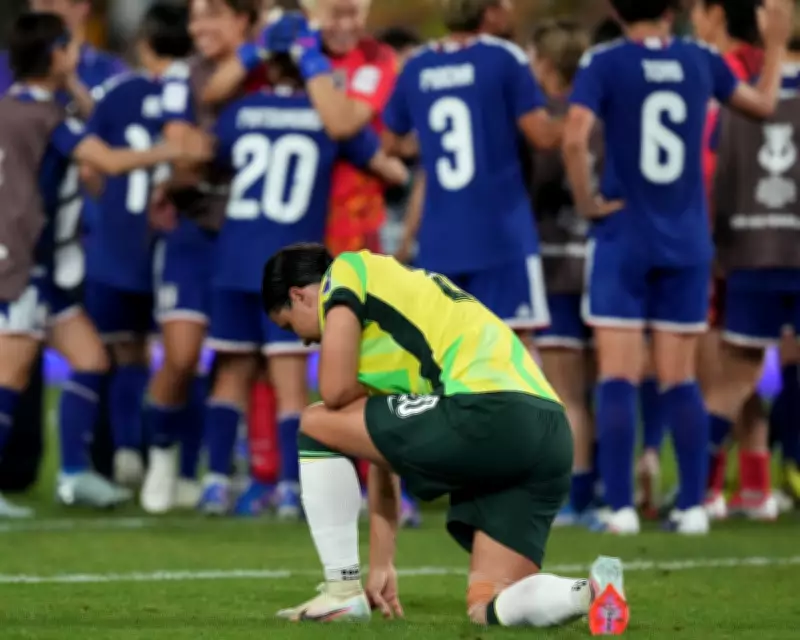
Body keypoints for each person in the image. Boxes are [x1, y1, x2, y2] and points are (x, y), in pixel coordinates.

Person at [260, 244, 628, 634]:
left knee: (315, 420)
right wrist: (382, 562)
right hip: (547, 431)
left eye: (290, 326)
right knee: (489, 601)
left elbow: (332, 393)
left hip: (486, 408)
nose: (303, 343)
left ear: (300, 295)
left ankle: (339, 590)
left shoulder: (346, 271)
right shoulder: (390, 323)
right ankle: (590, 592)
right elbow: (382, 454)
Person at [563, 0, 792, 535]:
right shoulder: (700, 59)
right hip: (686, 241)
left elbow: (574, 137)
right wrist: (776, 43)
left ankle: (619, 508)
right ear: (673, 9)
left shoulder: (604, 61)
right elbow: (761, 104)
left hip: (623, 238)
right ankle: (691, 507)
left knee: (617, 375)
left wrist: (589, 201)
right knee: (679, 377)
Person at [203, 14, 408, 522]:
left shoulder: (242, 109)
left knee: (231, 375)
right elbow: (388, 166)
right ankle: (295, 489)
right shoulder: (324, 116)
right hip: (289, 263)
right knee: (290, 381)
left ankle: (216, 484)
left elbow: (211, 137)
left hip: (231, 256)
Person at [0, 12, 203, 514]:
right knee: (12, 374)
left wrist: (68, 81)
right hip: (23, 265)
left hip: (46, 267)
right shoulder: (45, 116)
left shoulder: (23, 106)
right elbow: (107, 162)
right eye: (68, 49)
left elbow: (87, 123)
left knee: (91, 359)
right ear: (54, 55)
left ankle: (74, 474)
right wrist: (171, 150)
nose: (77, 55)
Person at [139, 0, 262, 515]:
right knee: (182, 356)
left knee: (239, 357)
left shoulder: (267, 72)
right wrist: (233, 145)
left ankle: (213, 471)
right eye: (193, 18)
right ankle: (160, 460)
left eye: (210, 15)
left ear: (243, 20)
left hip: (246, 229)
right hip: (193, 230)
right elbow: (183, 150)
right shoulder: (181, 76)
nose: (198, 27)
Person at [382, 0, 560, 346]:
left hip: (439, 240)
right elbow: (541, 136)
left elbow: (390, 142)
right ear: (487, 10)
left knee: (449, 358)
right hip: (501, 236)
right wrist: (579, 117)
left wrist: (431, 144)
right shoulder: (504, 57)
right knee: (513, 352)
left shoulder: (417, 65)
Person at [81, 3, 193, 490]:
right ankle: (183, 465)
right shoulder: (196, 95)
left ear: (145, 45)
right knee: (180, 353)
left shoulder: (116, 92)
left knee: (123, 350)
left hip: (118, 243)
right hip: (178, 243)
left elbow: (90, 169)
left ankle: (127, 449)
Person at [707, 30, 800, 521]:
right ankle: (771, 484)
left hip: (750, 250)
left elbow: (716, 174)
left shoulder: (735, 92)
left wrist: (720, 246)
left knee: (733, 378)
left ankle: (700, 492)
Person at [691, 0, 778, 521]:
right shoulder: (714, 63)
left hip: (731, 231)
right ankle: (752, 486)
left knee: (725, 370)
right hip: (713, 228)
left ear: (714, 11)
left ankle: (711, 488)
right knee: (738, 369)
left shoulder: (740, 68)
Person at [527, 20, 600, 528]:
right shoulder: (607, 114)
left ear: (548, 66)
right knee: (596, 389)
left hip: (556, 264)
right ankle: (603, 489)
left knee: (565, 393)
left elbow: (530, 190)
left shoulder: (549, 124)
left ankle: (571, 498)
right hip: (603, 261)